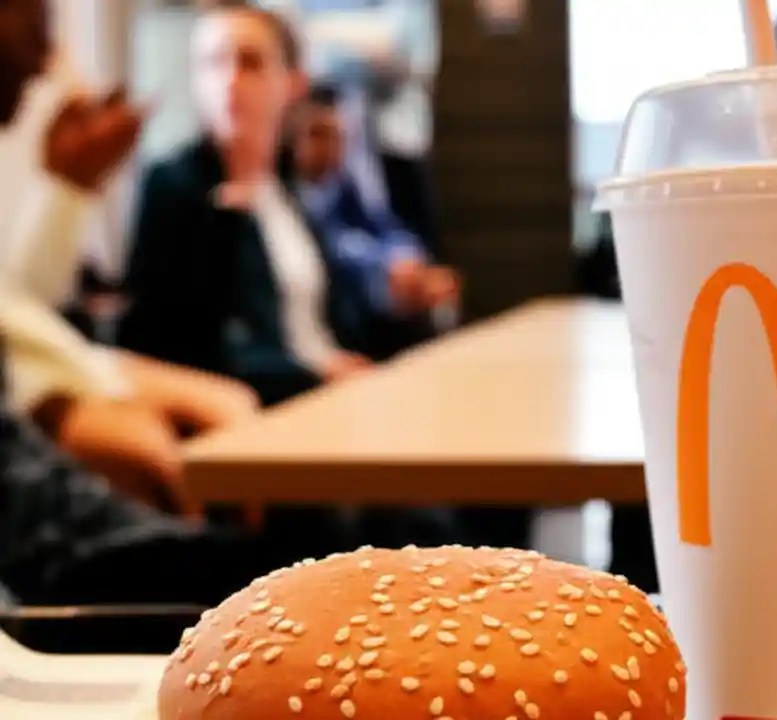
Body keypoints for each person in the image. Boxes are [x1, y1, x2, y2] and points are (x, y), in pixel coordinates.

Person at [0, 0, 291, 607]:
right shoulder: (179, 182)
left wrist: (67, 187)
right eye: (32, 12)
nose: (49, 49)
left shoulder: (279, 184)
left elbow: (21, 309)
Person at [118, 5, 373, 407]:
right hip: (262, 409)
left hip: (333, 396)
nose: (230, 81)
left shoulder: (289, 190)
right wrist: (315, 375)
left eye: (250, 63)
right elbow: (179, 348)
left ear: (292, 83)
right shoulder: (175, 187)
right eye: (211, 64)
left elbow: (333, 318)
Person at [292, 84, 459, 359]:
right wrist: (387, 271)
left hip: (390, 297)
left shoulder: (347, 186)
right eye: (318, 135)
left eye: (338, 137)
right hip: (345, 317)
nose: (330, 148)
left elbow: (387, 229)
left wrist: (408, 261)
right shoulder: (290, 195)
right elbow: (334, 249)